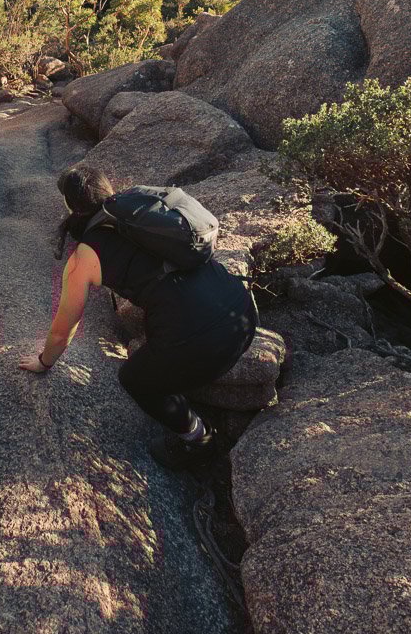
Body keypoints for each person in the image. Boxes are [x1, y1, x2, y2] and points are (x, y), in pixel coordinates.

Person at [19, 167, 257, 469]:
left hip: (204, 342)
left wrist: (44, 363)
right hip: (243, 312)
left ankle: (201, 440)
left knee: (135, 379)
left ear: (70, 206)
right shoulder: (143, 214)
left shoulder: (84, 257)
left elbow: (63, 330)